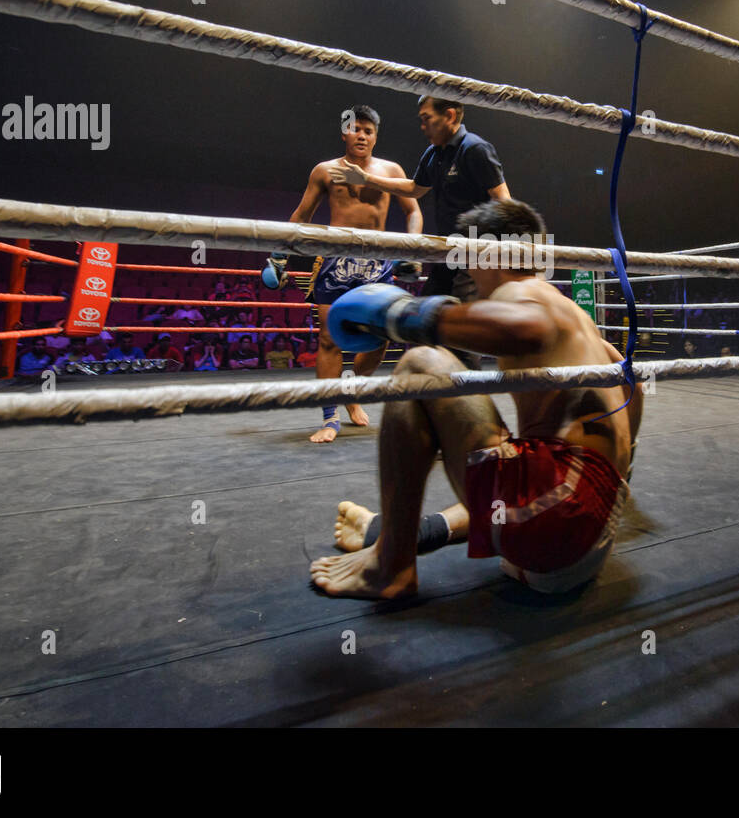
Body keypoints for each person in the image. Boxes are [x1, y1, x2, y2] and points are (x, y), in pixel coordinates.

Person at [309, 199, 642, 600]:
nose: (467, 272)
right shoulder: (583, 325)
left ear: (487, 254)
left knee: (421, 365)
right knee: (519, 457)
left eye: (468, 258)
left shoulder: (522, 292)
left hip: (554, 525)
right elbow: (634, 389)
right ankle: (411, 532)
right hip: (595, 532)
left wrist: (401, 315)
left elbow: (527, 328)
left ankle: (390, 565)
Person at [265, 104, 423, 442]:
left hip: (376, 264)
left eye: (369, 131)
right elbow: (302, 213)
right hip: (335, 260)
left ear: (376, 137)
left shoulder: (390, 170)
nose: (362, 135)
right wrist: (279, 255)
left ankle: (351, 390)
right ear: (345, 133)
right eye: (356, 129)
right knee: (328, 338)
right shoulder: (325, 171)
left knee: (382, 336)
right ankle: (329, 417)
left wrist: (412, 247)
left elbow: (413, 211)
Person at [327, 96, 510, 370]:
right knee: (424, 318)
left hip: (475, 252)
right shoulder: (434, 153)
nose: (422, 126)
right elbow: (414, 188)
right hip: (447, 252)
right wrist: (366, 179)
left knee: (461, 327)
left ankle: (466, 397)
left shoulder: (475, 149)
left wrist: (498, 252)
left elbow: (503, 201)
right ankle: (438, 393)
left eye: (427, 118)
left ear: (449, 115)